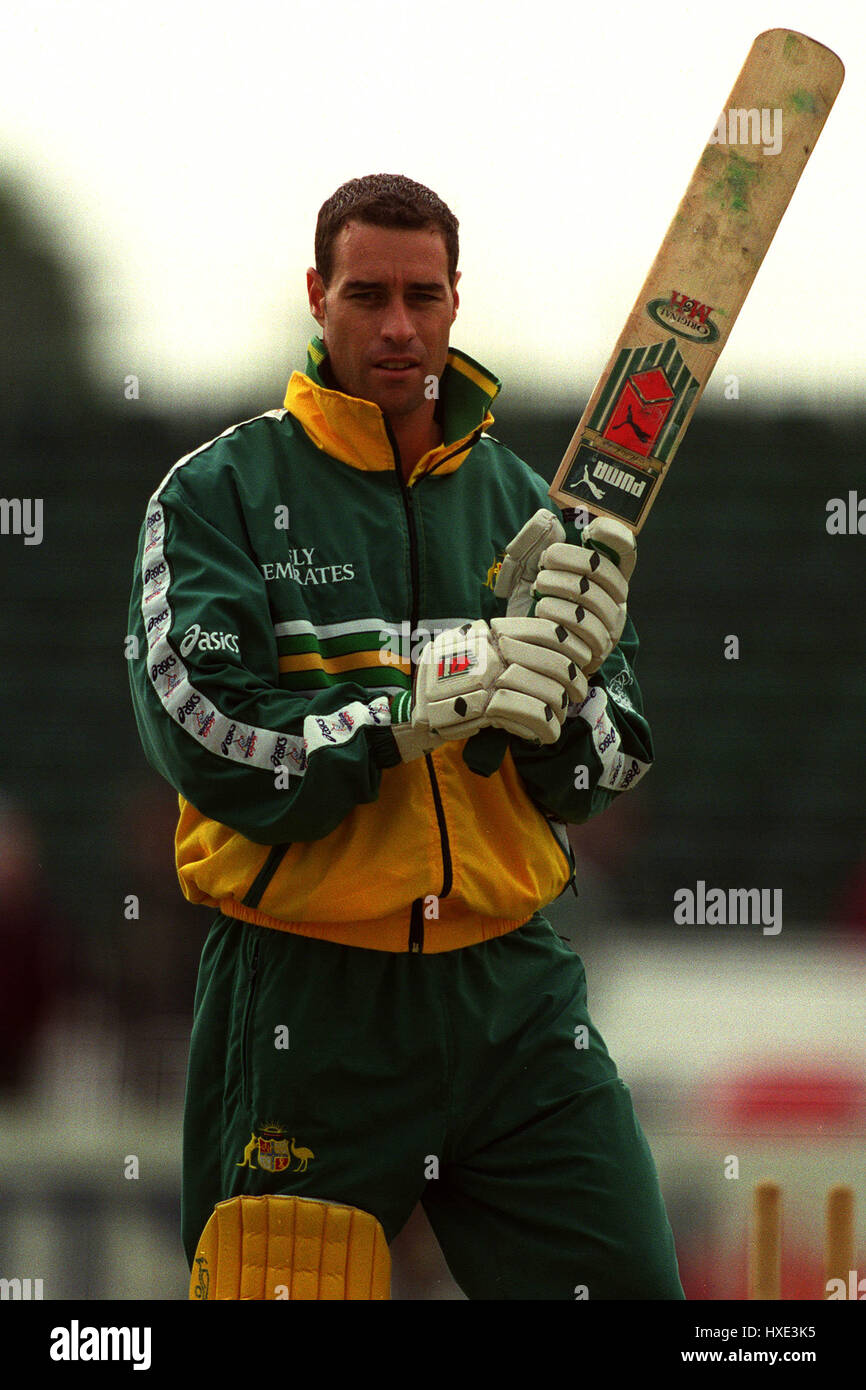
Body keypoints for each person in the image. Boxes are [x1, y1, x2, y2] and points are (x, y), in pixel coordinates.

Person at [128, 173, 683, 1300]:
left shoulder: (532, 502)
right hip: (308, 999)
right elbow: (205, 732)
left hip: (515, 998)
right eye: (364, 293)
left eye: (421, 295)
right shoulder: (217, 494)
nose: (396, 326)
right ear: (315, 297)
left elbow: (615, 752)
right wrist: (406, 714)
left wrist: (557, 713)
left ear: (453, 300)